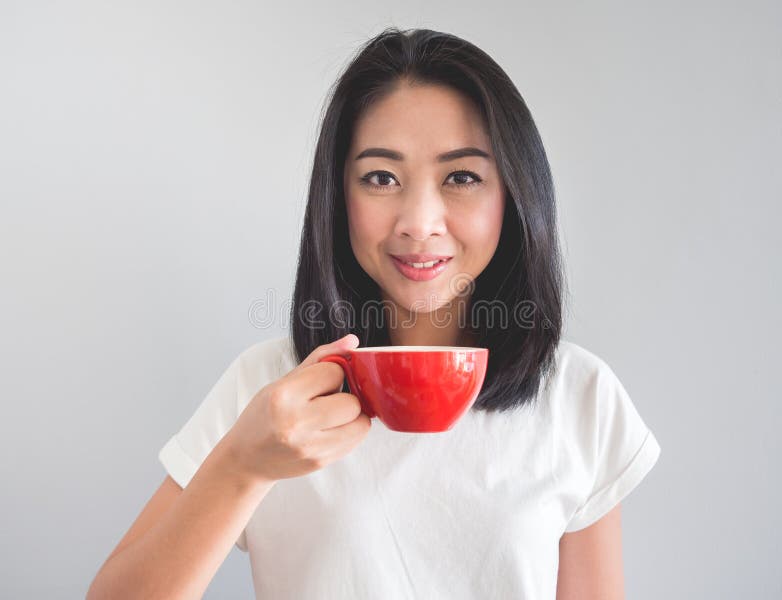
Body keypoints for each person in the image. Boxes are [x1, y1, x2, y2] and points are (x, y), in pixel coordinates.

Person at [88, 27, 661, 599]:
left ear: (513, 197)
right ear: (338, 198)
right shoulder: (269, 393)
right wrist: (243, 467)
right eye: (381, 178)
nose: (419, 220)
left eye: (461, 177)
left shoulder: (579, 396)